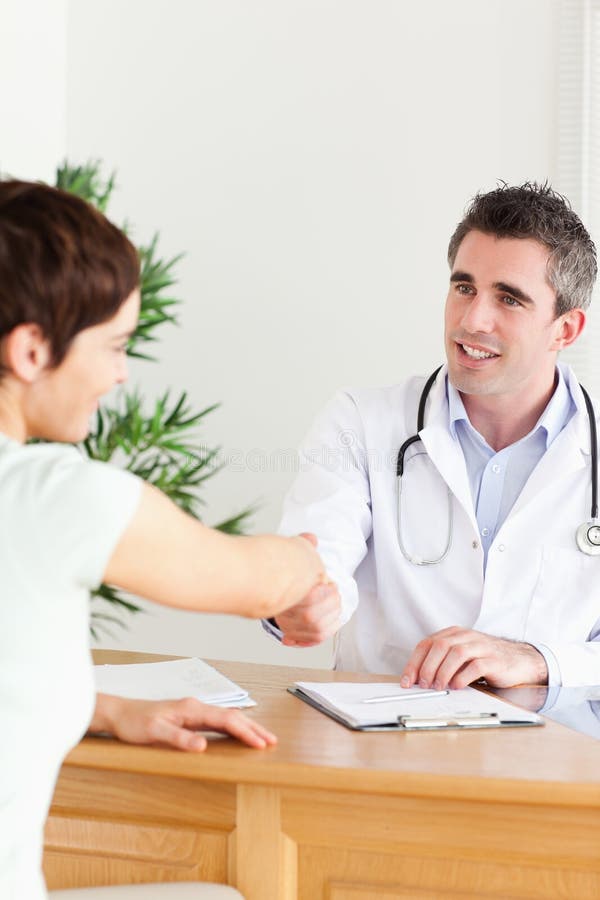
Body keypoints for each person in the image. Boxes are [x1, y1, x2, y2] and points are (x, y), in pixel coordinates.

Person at [0, 180, 326, 900]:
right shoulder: (50, 494)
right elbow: (256, 581)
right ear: (29, 351)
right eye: (114, 346)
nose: (120, 374)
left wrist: (109, 708)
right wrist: (311, 555)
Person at [266, 182, 600, 690]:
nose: (472, 320)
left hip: (558, 756)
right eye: (464, 287)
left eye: (509, 299)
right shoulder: (361, 421)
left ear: (566, 330)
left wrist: (536, 661)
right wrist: (300, 600)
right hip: (382, 747)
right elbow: (316, 560)